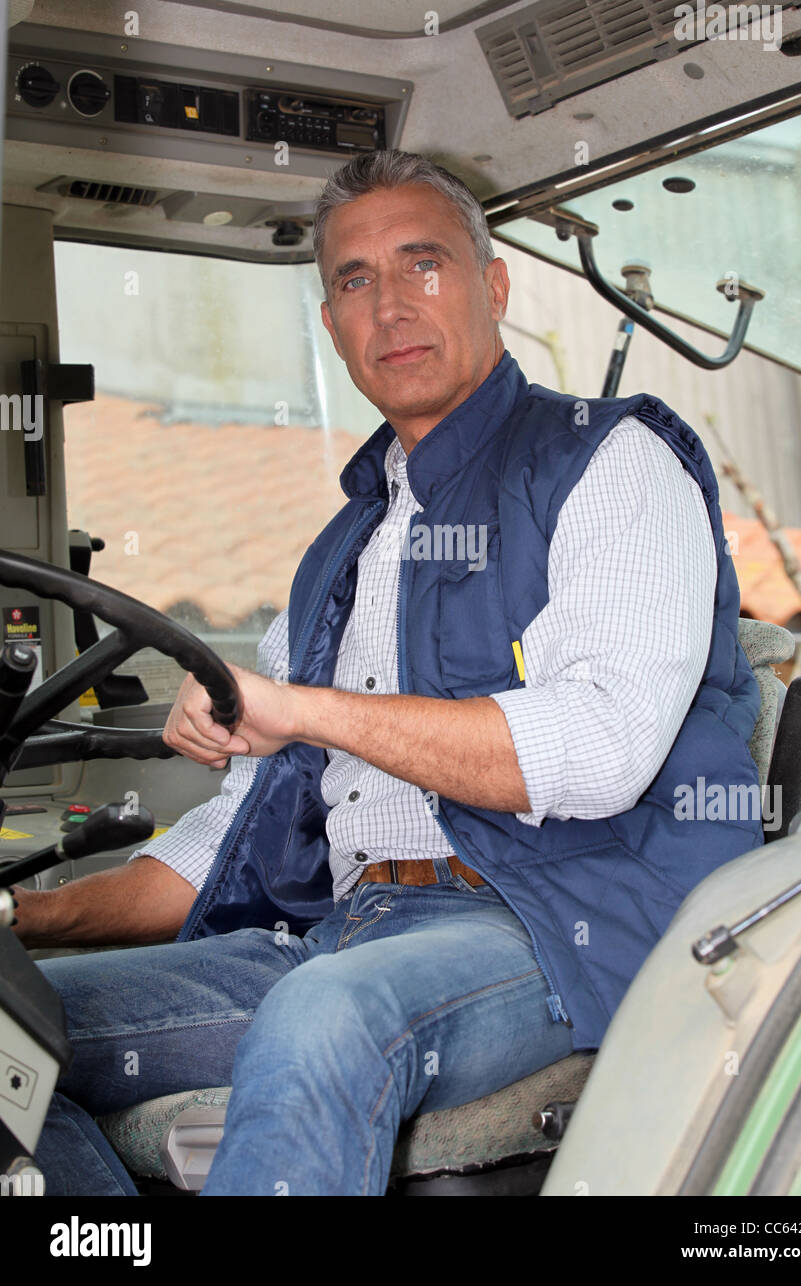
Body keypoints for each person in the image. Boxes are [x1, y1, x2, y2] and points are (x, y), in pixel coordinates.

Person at [17, 150, 763, 1196]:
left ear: (491, 286)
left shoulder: (606, 462)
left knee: (325, 1015)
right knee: (12, 1021)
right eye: (355, 280)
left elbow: (595, 750)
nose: (389, 306)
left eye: (423, 265)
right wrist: (21, 919)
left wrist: (308, 709)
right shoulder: (339, 555)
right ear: (330, 322)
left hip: (548, 931)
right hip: (339, 931)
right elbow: (223, 837)